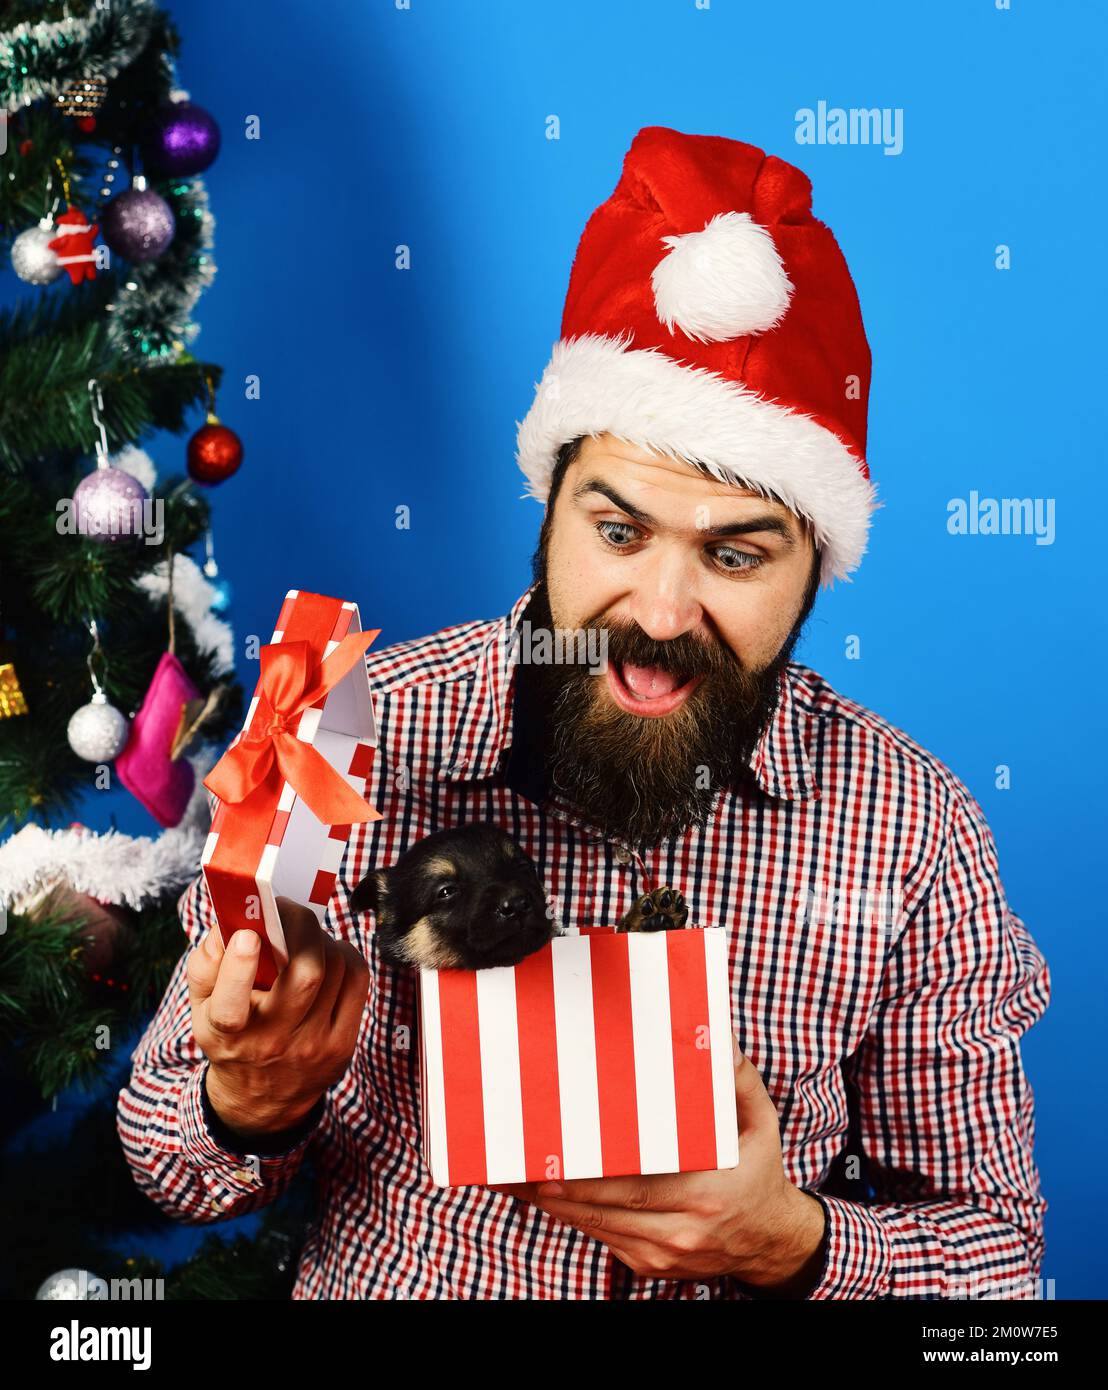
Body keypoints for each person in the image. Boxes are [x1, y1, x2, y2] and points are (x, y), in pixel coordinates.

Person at [117, 127, 1050, 1300]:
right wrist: (249, 1097)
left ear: (816, 567)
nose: (660, 612)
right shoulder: (365, 731)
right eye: (617, 532)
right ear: (549, 504)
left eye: (736, 554)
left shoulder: (912, 831)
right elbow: (164, 1156)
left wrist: (790, 1242)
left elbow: (1002, 1282)